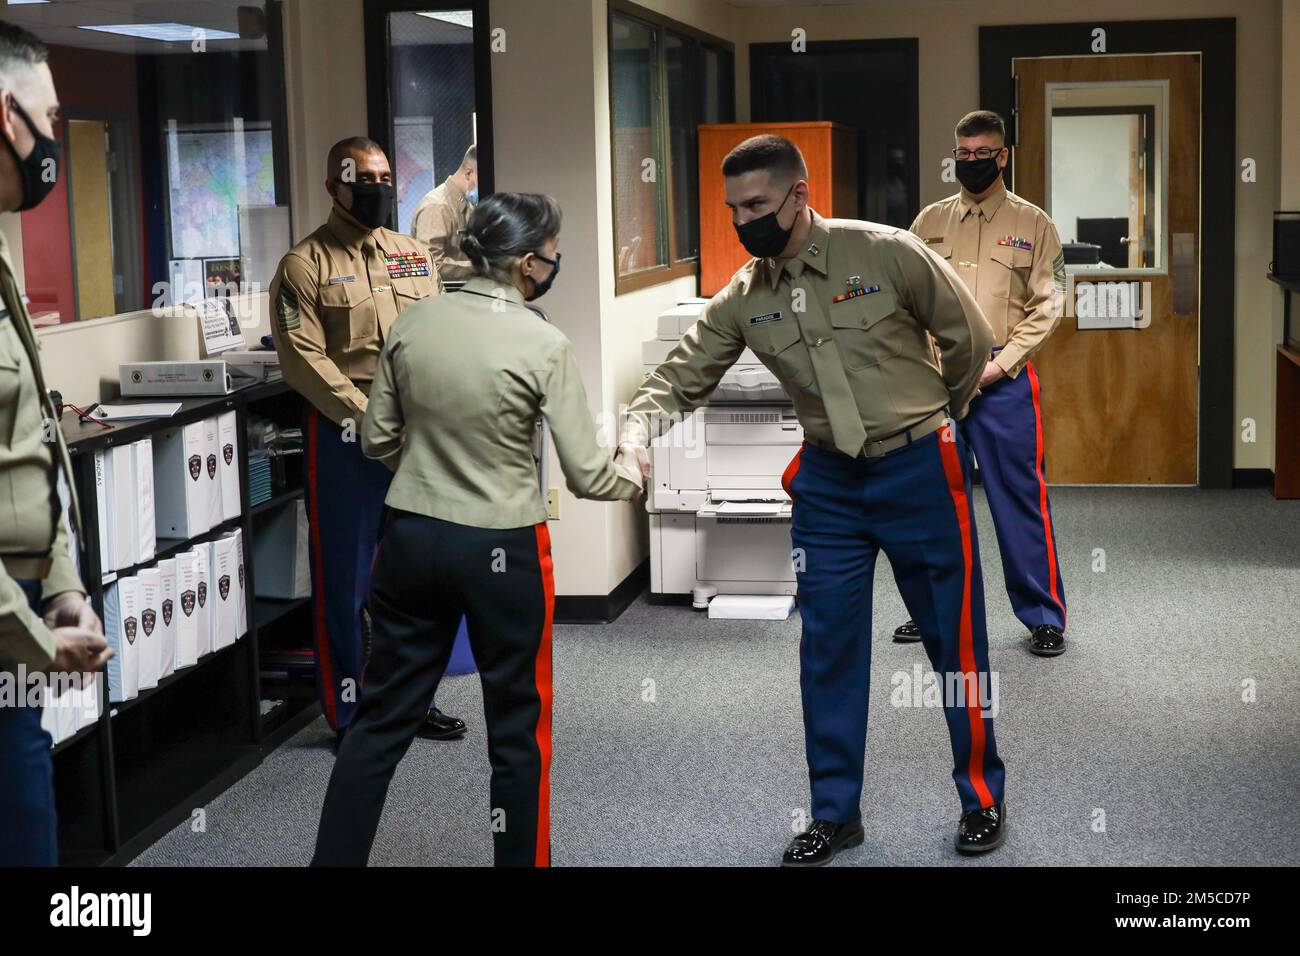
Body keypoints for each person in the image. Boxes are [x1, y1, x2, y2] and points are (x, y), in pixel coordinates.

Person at [616, 135, 1007, 865]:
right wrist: (636, 433)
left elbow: (969, 340)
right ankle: (835, 814)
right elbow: (682, 374)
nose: (743, 221)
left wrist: (936, 420)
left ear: (799, 195)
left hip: (920, 468)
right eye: (733, 208)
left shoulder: (884, 251)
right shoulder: (746, 295)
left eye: (757, 204)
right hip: (829, 482)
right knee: (826, 648)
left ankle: (983, 798)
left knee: (954, 641)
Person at [312, 192, 642, 867]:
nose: (555, 264)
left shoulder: (413, 323)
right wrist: (634, 473)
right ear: (527, 263)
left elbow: (375, 439)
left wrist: (432, 464)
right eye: (551, 253)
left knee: (377, 724)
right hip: (502, 549)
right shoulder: (543, 341)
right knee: (517, 734)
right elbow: (586, 475)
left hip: (408, 543)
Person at [269, 137, 464, 747]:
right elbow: (304, 361)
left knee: (420, 580)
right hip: (346, 437)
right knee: (348, 582)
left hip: (419, 432)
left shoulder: (412, 255)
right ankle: (352, 714)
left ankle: (413, 702)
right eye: (364, 180)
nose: (379, 189)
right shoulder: (304, 265)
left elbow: (438, 334)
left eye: (386, 178)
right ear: (335, 187)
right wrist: (372, 419)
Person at [0, 21, 113, 866]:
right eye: (50, 114)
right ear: (8, 117)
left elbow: (31, 434)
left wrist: (64, 585)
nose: (55, 138)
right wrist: (37, 641)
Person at [895, 110, 1068, 656]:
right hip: (937, 378)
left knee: (1018, 499)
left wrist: (1001, 364)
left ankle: (1043, 616)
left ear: (1003, 156)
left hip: (1004, 378)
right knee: (932, 502)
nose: (970, 163)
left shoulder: (1034, 223)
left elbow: (1049, 305)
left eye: (981, 154)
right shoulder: (928, 223)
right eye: (962, 154)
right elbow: (904, 300)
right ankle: (932, 612)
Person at [410, 144, 478, 282]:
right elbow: (431, 264)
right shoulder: (437, 207)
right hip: (440, 298)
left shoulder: (467, 205)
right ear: (469, 173)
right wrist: (479, 268)